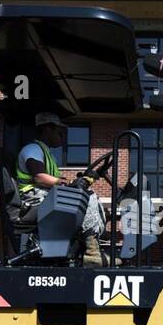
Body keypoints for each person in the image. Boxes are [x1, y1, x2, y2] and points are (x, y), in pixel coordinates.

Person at [16, 112, 105, 265]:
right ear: (46, 130)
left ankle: (88, 248)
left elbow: (56, 181)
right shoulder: (32, 149)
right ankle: (91, 252)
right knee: (86, 197)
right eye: (59, 131)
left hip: (44, 196)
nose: (62, 136)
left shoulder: (47, 153)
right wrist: (69, 183)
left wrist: (78, 181)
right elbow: (39, 177)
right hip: (33, 199)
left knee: (85, 196)